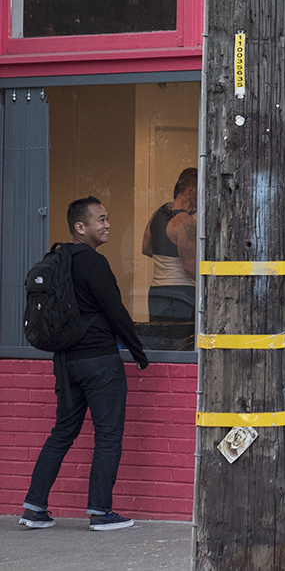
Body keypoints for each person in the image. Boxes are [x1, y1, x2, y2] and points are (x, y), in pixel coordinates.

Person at [20, 198, 149, 532]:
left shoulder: (59, 260)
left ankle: (33, 508)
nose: (107, 225)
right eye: (101, 220)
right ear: (81, 227)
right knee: (108, 436)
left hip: (67, 362)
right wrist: (139, 353)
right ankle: (100, 512)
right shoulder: (93, 263)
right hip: (100, 362)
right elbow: (115, 311)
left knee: (62, 431)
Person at [139, 167, 197, 323]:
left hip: (157, 292)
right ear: (192, 190)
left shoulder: (157, 213)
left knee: (160, 342)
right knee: (181, 344)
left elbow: (145, 248)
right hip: (180, 293)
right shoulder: (186, 221)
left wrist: (167, 260)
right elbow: (189, 267)